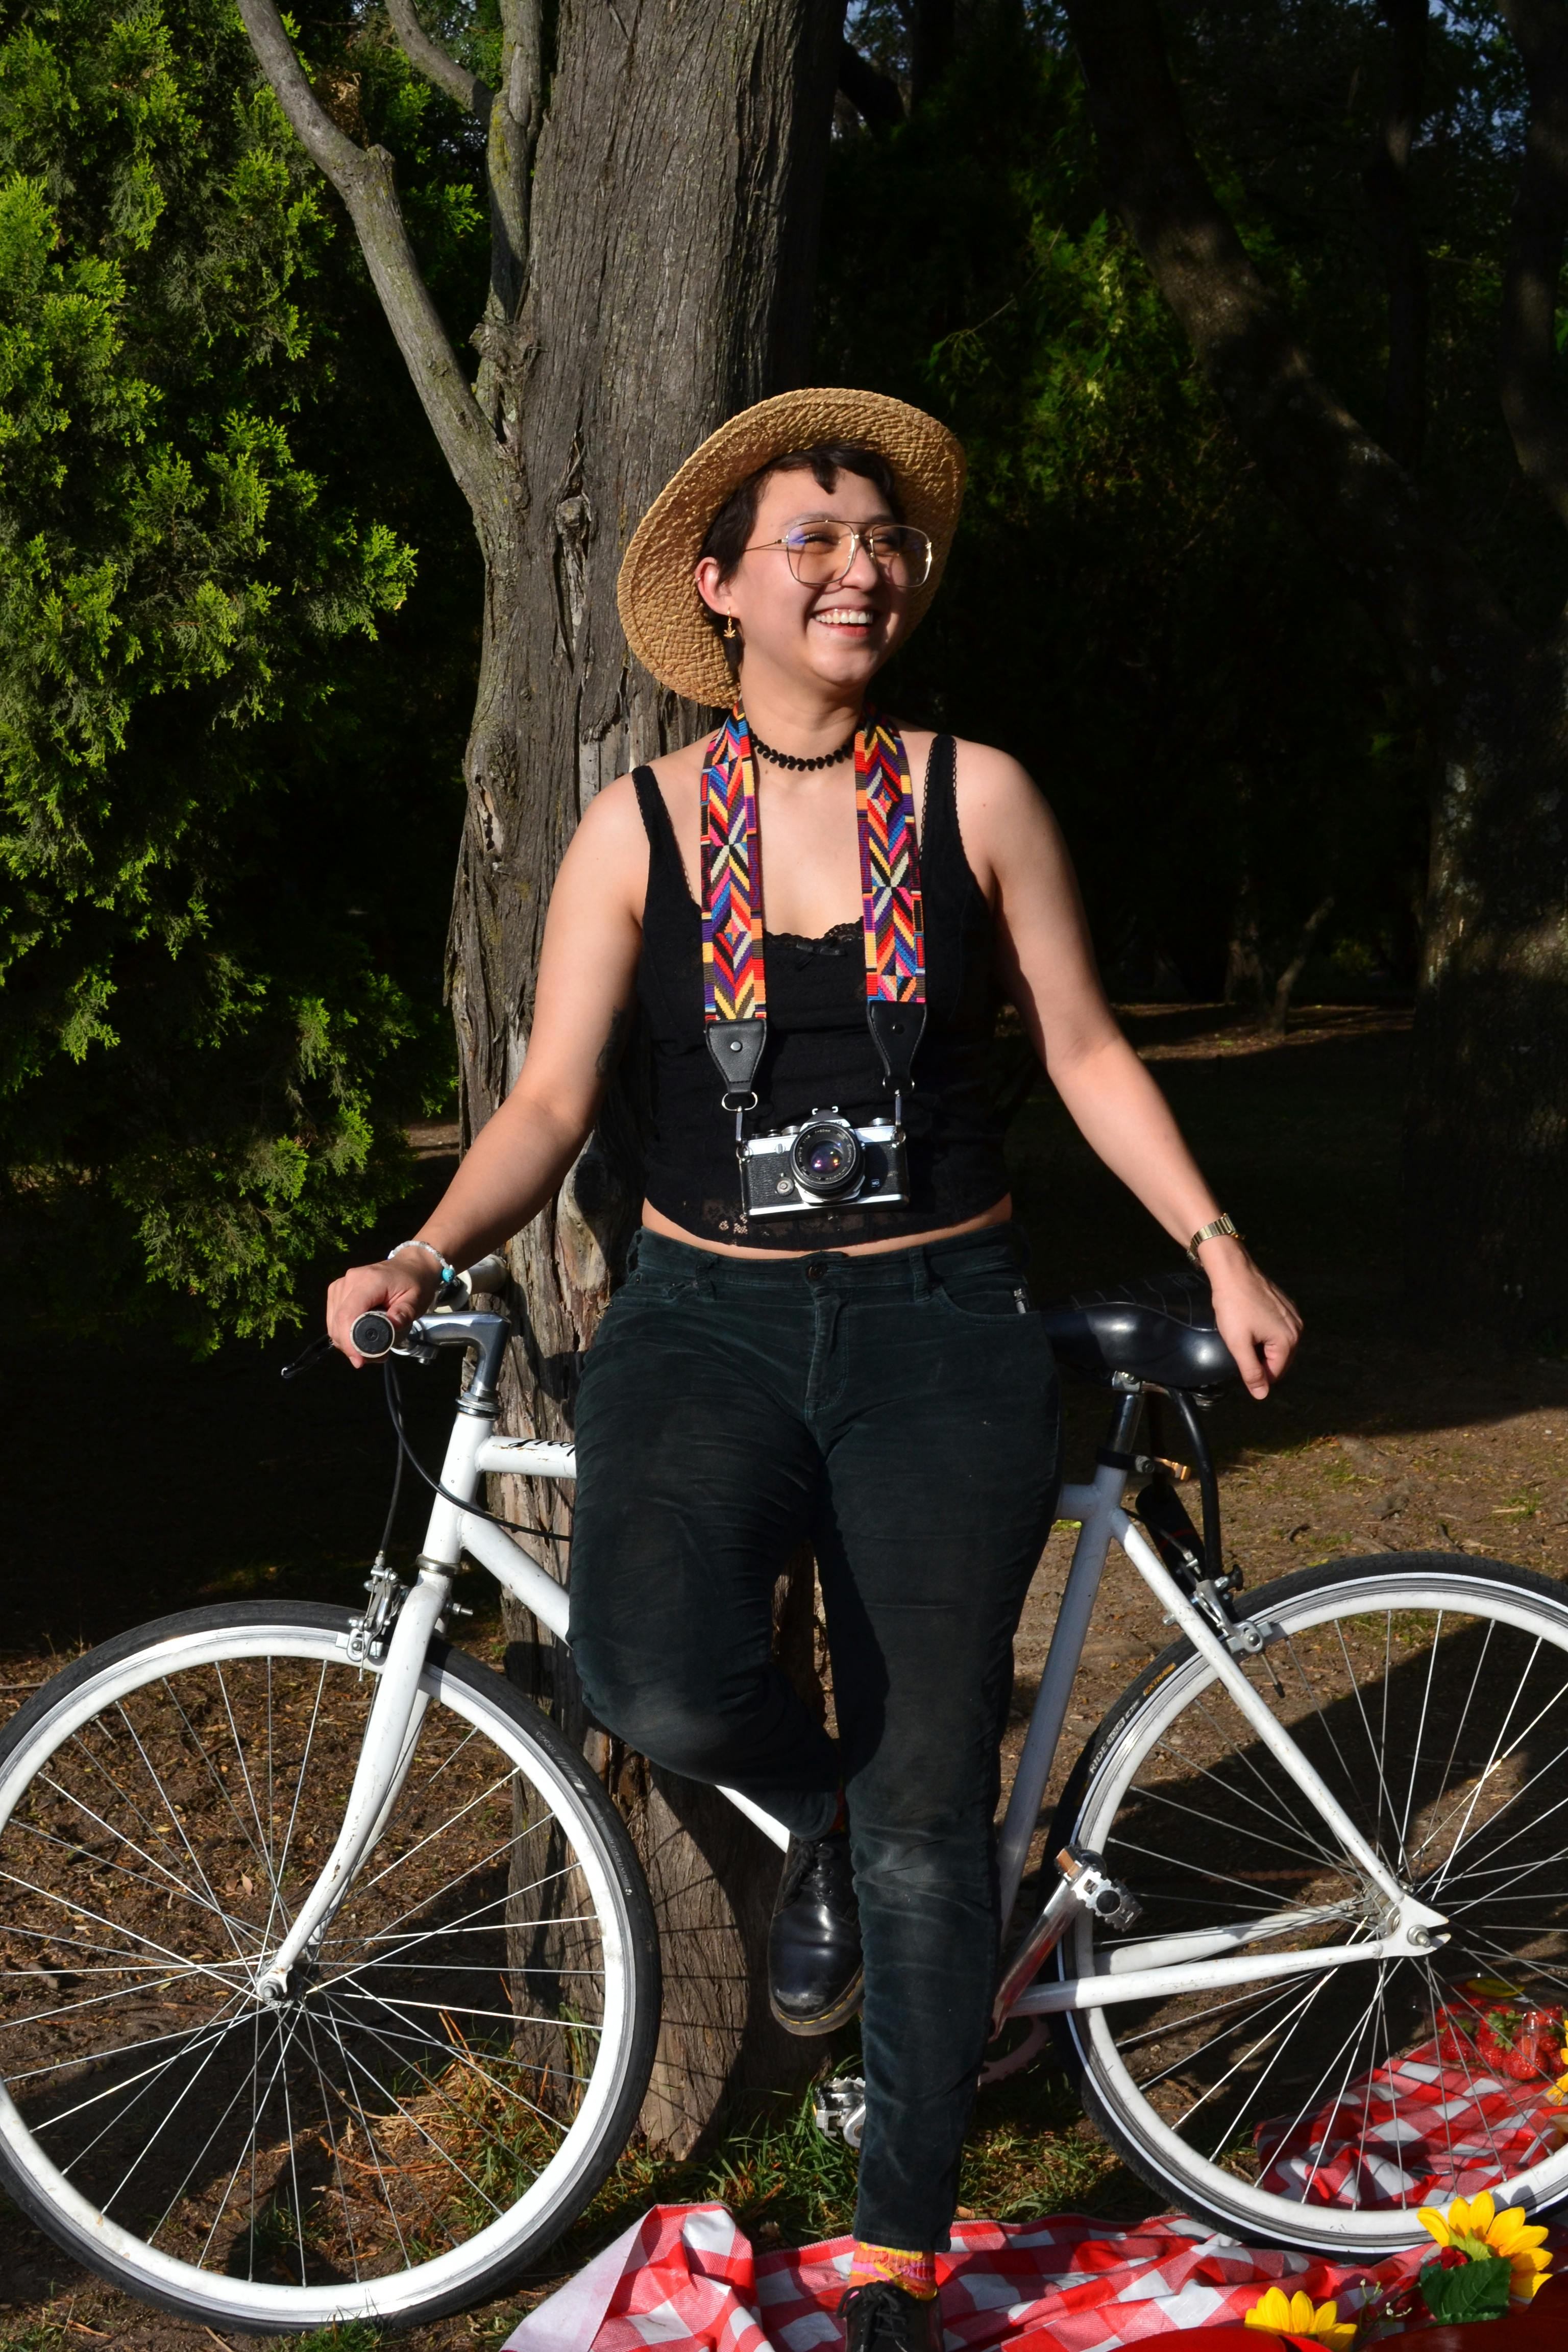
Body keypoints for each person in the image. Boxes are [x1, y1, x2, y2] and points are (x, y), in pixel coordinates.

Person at [327, 389, 1300, 2352]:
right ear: (724, 586)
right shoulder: (638, 827)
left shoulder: (976, 796)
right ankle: (829, 1826)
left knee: (940, 1799)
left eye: (887, 543)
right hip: (707, 1320)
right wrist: (426, 1246)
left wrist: (1217, 1238)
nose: (863, 571)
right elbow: (549, 1101)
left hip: (943, 1327)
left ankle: (899, 2249)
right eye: (818, 540)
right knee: (652, 1672)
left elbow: (1088, 1053)